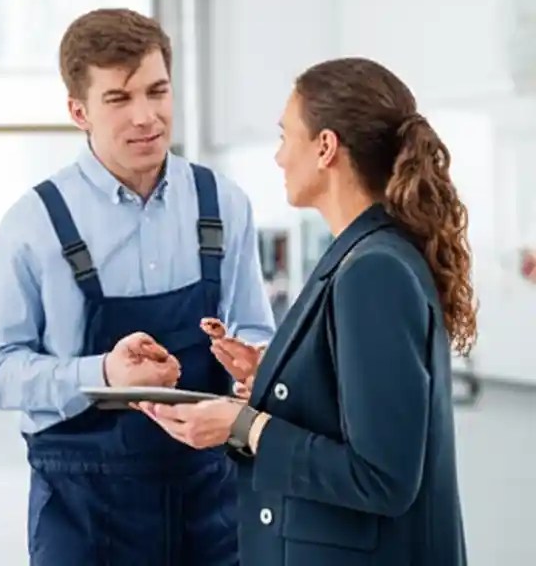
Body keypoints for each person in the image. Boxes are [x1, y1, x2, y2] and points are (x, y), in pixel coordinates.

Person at [0, 8, 276, 565]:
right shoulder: (36, 222)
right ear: (79, 110)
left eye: (157, 91)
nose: (146, 117)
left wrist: (251, 366)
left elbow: (256, 330)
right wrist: (104, 373)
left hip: (209, 500)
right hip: (82, 509)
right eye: (119, 99)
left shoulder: (224, 204)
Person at [138, 57, 472, 565]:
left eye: (284, 136)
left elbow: (382, 476)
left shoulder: (372, 271)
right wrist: (271, 376)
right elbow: (355, 412)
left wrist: (242, 425)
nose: (277, 157)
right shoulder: (362, 256)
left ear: (325, 147)